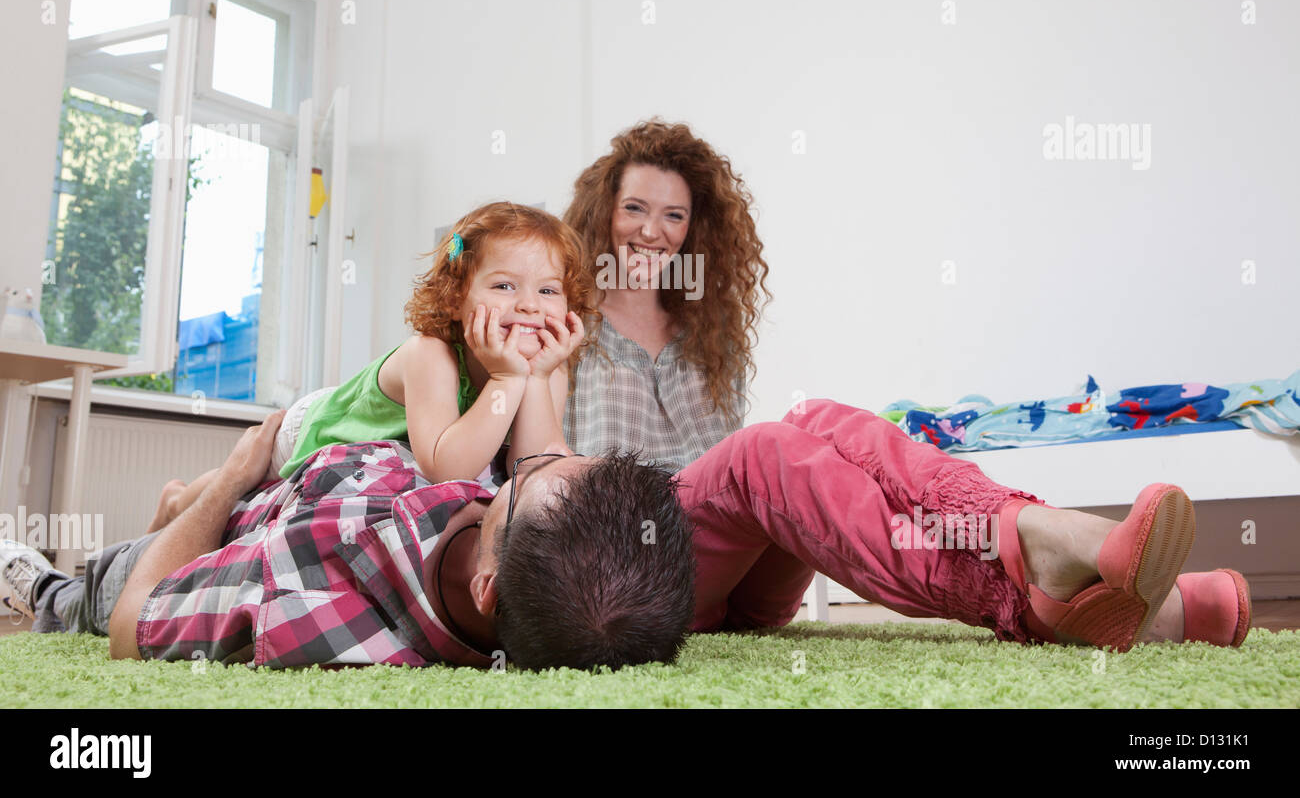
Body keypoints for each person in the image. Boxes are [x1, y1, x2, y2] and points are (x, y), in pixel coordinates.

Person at [1, 400, 1250, 670]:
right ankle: (1067, 575)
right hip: (218, 520)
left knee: (780, 445)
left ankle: (1040, 550)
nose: (533, 458)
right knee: (75, 586)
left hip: (631, 574)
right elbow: (122, 621)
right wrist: (217, 490)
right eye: (534, 471)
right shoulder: (311, 587)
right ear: (488, 574)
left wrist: (229, 475)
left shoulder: (524, 560)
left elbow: (140, 633)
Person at [148, 202, 593, 533]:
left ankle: (178, 499)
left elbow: (529, 471)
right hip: (327, 421)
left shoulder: (549, 369)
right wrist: (508, 378)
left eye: (549, 291)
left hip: (400, 442)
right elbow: (448, 470)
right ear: (457, 298)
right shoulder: (430, 355)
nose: (530, 305)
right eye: (504, 285)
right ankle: (177, 502)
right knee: (248, 482)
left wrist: (533, 378)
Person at [563, 120, 770, 472]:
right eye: (634, 208)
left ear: (694, 228)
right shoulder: (568, 323)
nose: (650, 231)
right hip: (602, 522)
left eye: (673, 215)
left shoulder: (714, 336)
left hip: (706, 522)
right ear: (604, 211)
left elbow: (728, 471)